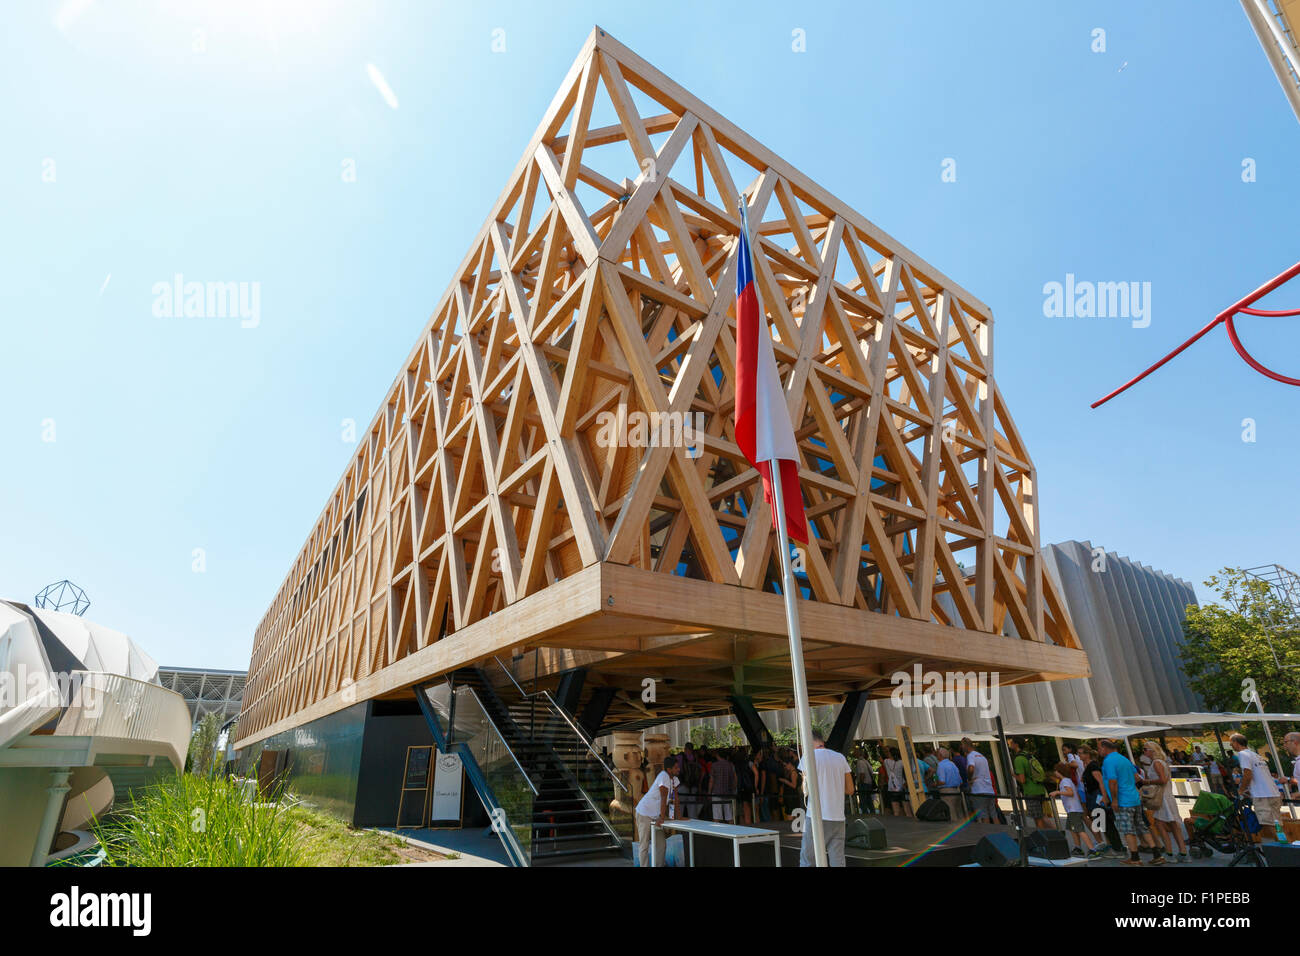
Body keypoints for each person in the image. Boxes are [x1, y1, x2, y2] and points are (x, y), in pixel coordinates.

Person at [1099, 738, 1164, 865]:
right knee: (1141, 826)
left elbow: (1113, 781)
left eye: (1099, 748)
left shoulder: (1108, 761)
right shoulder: (1124, 759)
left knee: (1128, 829)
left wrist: (1115, 800)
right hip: (1134, 798)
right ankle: (1157, 854)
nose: (1099, 751)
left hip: (1123, 800)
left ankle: (1135, 858)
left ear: (1105, 748)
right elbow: (1137, 778)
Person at [797, 730, 854, 866]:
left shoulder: (808, 757)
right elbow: (850, 790)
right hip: (838, 817)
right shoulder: (840, 757)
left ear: (807, 741)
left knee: (808, 859)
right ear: (822, 741)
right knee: (837, 860)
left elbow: (805, 789)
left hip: (816, 815)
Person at [1139, 742, 1188, 863]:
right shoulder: (1161, 762)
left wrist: (1146, 782)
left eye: (1145, 749)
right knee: (1173, 824)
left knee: (1160, 824)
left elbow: (1162, 780)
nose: (1144, 752)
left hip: (1162, 797)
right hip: (1166, 796)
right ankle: (1183, 852)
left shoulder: (1156, 763)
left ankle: (1169, 852)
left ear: (1152, 750)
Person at [1049, 762, 1103, 858]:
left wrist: (1057, 792)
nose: (1055, 772)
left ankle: (1092, 850)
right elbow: (1076, 794)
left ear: (1059, 772)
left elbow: (1070, 793)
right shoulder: (1068, 781)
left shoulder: (1064, 781)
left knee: (1079, 830)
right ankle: (1078, 848)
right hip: (1073, 809)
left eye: (1056, 771)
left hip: (1073, 810)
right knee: (1072, 829)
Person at [635, 755, 679, 867]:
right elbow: (664, 798)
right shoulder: (663, 776)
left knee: (661, 844)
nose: (678, 769)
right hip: (644, 813)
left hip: (656, 816)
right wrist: (662, 818)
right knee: (644, 844)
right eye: (676, 767)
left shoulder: (674, 779)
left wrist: (679, 816)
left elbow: (676, 799)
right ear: (669, 770)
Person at [1230, 733, 1282, 825]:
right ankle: (1282, 839)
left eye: (1231, 743)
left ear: (1236, 742)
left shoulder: (1242, 754)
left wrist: (1241, 790)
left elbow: (1248, 775)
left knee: (1267, 825)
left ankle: (1274, 839)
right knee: (1277, 824)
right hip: (1273, 793)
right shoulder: (1256, 755)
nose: (1231, 745)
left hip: (1262, 795)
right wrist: (1248, 789)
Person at [1008, 738, 1051, 830]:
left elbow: (1022, 780)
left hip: (1030, 791)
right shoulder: (1028, 755)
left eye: (1011, 742)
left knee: (1038, 818)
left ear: (1016, 744)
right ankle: (1056, 834)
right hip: (1039, 788)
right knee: (1042, 815)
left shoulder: (1018, 759)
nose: (1009, 744)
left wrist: (1013, 775)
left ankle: (1045, 838)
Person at [962, 738, 995, 823]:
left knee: (984, 816)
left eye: (962, 745)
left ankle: (987, 835)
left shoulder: (970, 756)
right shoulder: (982, 756)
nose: (962, 748)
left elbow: (971, 768)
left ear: (965, 745)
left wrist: (969, 778)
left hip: (979, 790)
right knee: (994, 816)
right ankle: (1001, 834)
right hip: (989, 789)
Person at [935, 747, 964, 820]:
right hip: (957, 790)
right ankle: (964, 829)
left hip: (947, 791)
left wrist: (935, 784)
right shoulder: (952, 764)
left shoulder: (941, 765)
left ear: (940, 755)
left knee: (951, 813)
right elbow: (960, 781)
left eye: (937, 754)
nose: (936, 755)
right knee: (959, 812)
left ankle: (955, 829)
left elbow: (942, 781)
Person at [708, 748, 736, 823]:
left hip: (716, 792)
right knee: (730, 816)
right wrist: (733, 789)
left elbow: (711, 780)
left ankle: (717, 833)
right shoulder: (730, 765)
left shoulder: (714, 765)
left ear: (717, 755)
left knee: (717, 816)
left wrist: (709, 792)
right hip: (728, 792)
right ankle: (732, 832)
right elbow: (734, 779)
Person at [884, 746, 909, 817]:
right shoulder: (901, 762)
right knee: (907, 810)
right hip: (902, 786)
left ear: (890, 753)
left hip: (892, 787)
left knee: (896, 812)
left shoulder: (886, 762)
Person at [734, 747, 757, 825]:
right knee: (747, 806)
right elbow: (756, 773)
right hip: (748, 786)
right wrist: (755, 786)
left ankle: (743, 825)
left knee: (741, 809)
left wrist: (735, 787)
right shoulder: (749, 762)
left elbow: (735, 778)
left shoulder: (735, 764)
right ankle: (748, 823)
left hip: (740, 787)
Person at [854, 748, 877, 814]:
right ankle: (872, 813)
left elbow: (862, 774)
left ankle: (865, 814)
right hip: (868, 783)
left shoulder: (860, 762)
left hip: (863, 784)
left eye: (855, 752)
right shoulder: (865, 761)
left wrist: (860, 783)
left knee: (863, 800)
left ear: (858, 753)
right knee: (869, 800)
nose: (854, 753)